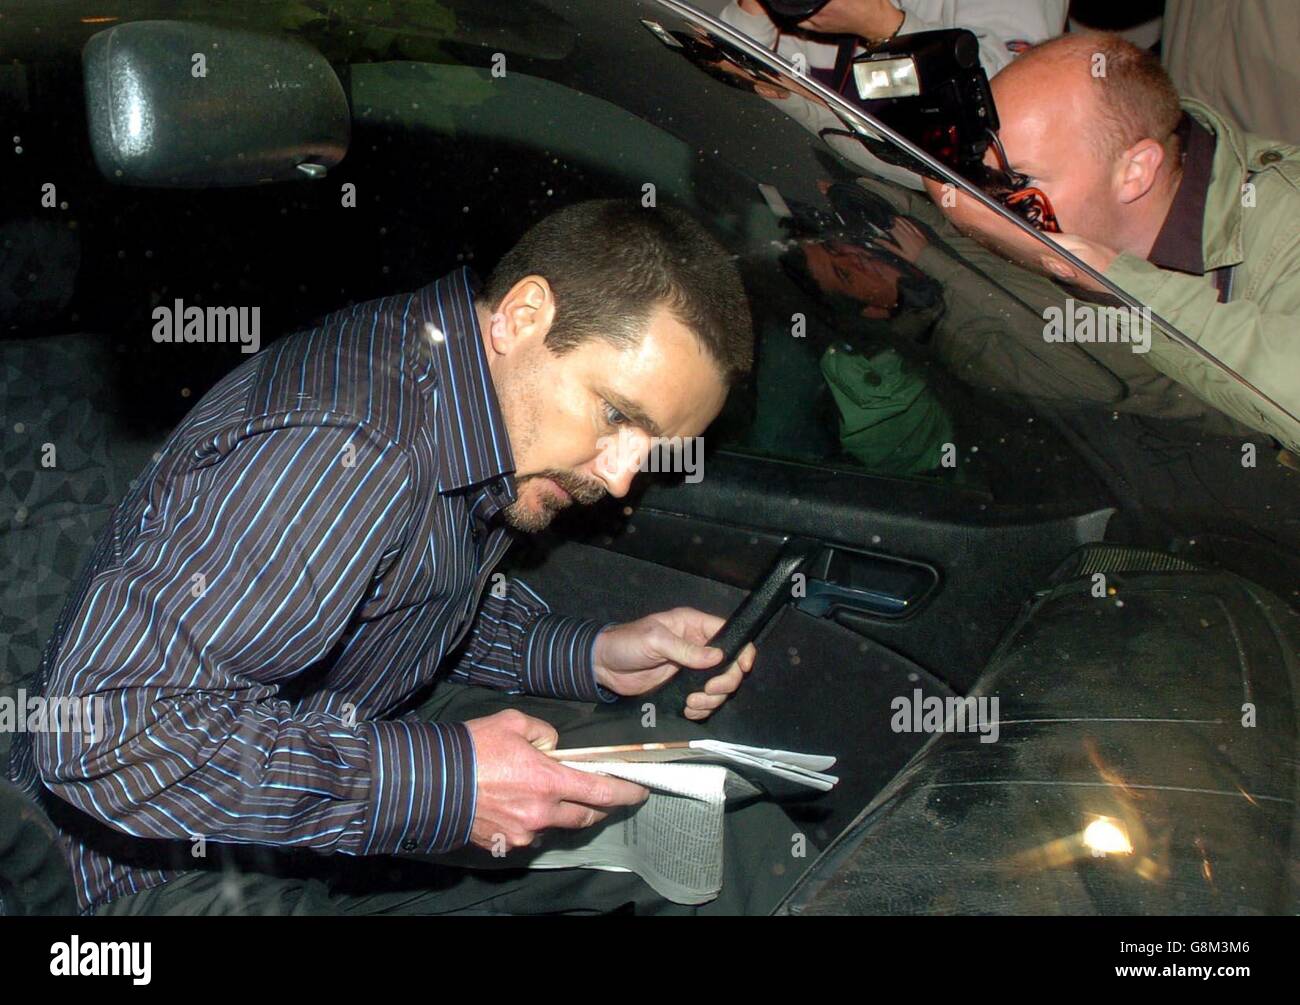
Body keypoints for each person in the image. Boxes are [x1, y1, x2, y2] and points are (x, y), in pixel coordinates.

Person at [8, 199, 807, 916]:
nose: (621, 474)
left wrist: (591, 652)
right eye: (614, 414)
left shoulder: (474, 401)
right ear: (524, 315)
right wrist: (447, 786)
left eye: (653, 448)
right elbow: (102, 736)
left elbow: (404, 599)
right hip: (138, 872)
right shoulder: (350, 446)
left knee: (707, 829)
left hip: (312, 762)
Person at [925, 33, 1300, 450]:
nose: (998, 201)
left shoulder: (1285, 220)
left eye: (1019, 180)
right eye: (983, 174)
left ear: (1136, 171)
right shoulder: (1084, 219)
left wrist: (1114, 282)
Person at [720, 0, 1068, 88]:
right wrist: (758, 7)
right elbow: (724, 84)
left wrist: (884, 27)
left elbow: (1003, 100)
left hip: (931, 215)